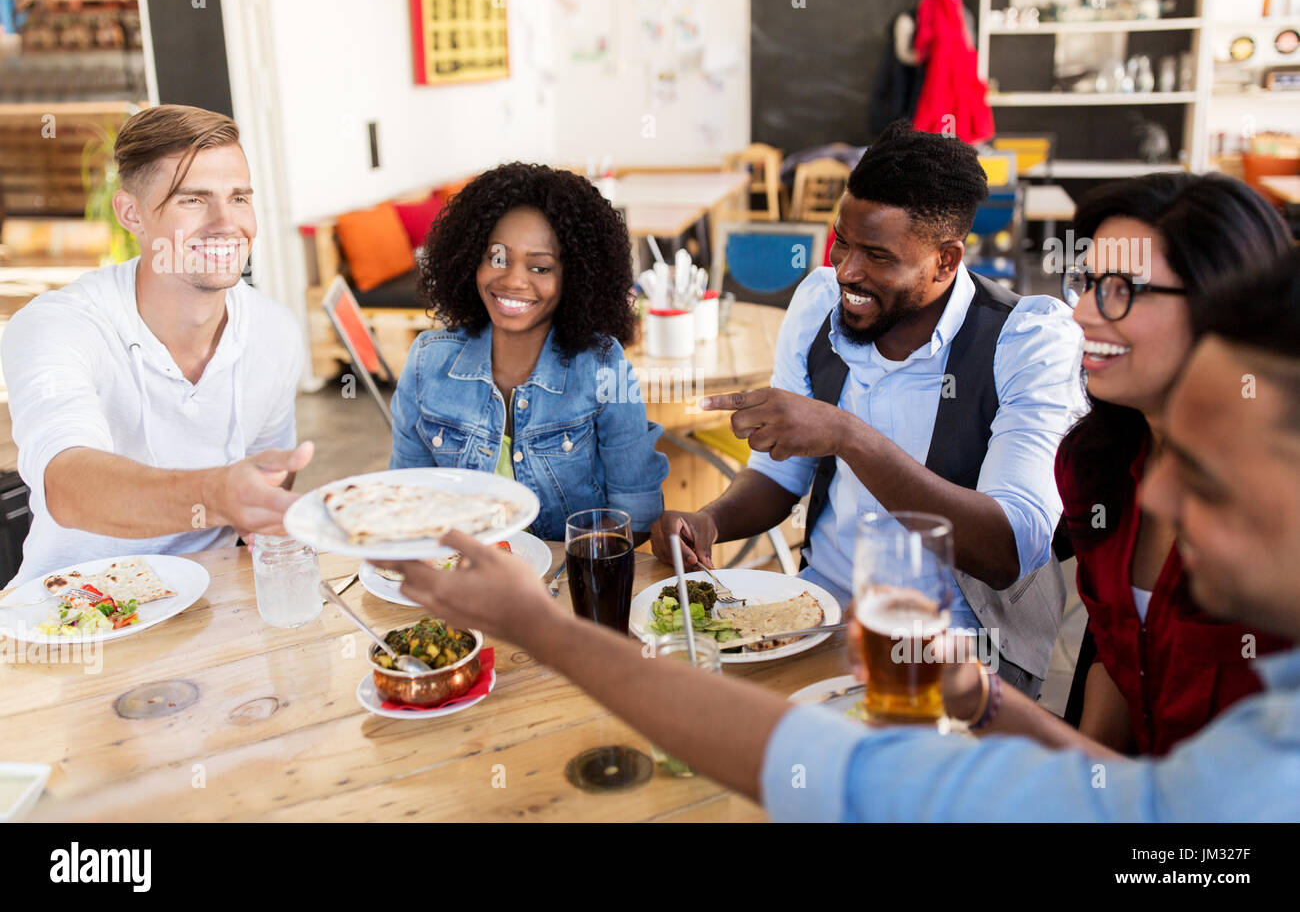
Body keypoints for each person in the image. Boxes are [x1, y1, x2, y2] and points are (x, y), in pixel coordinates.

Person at [385, 245, 1300, 821]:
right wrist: (984, 702)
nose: (1163, 500)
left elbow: (851, 778)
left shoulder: (1019, 337)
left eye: (1208, 469)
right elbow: (1131, 803)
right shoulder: (1262, 736)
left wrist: (543, 628)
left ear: (945, 259)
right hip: (874, 652)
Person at [652, 121, 1085, 696]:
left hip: (960, 642)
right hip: (819, 614)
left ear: (945, 261)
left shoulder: (1025, 338)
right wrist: (711, 520)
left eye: (877, 256)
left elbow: (1010, 548)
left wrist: (847, 435)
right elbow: (782, 476)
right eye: (842, 243)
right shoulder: (816, 306)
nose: (847, 271)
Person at [935, 173, 1292, 756]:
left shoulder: (1281, 510)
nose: (1082, 315)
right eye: (1088, 283)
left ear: (1225, 300)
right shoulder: (1095, 464)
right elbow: (1117, 660)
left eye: (1122, 289)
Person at [2, 104, 311, 587]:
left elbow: (266, 478)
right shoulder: (56, 325)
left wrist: (259, 505)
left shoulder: (276, 331)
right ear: (131, 213)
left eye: (239, 198)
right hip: (69, 609)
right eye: (193, 200)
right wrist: (218, 495)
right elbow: (68, 485)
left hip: (212, 600)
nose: (226, 223)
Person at [388, 162, 668, 543]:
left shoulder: (603, 366)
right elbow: (408, 500)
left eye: (540, 267)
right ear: (471, 259)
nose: (514, 280)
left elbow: (636, 514)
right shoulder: (427, 364)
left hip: (565, 591)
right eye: (497, 258)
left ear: (576, 278)